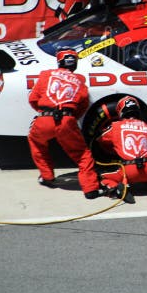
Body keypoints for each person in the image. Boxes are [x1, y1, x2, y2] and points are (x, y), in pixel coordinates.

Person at [27, 49, 104, 199]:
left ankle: (47, 177)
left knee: (36, 142)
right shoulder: (81, 83)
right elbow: (82, 107)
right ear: (75, 65)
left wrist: (43, 114)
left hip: (44, 118)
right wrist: (68, 119)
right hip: (67, 120)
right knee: (82, 155)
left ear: (59, 62)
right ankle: (90, 189)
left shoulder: (45, 75)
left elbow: (33, 99)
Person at [94, 96, 147, 203]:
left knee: (101, 177)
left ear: (121, 111)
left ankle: (117, 188)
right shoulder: (146, 126)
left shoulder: (116, 125)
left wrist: (113, 147)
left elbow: (100, 139)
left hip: (127, 171)